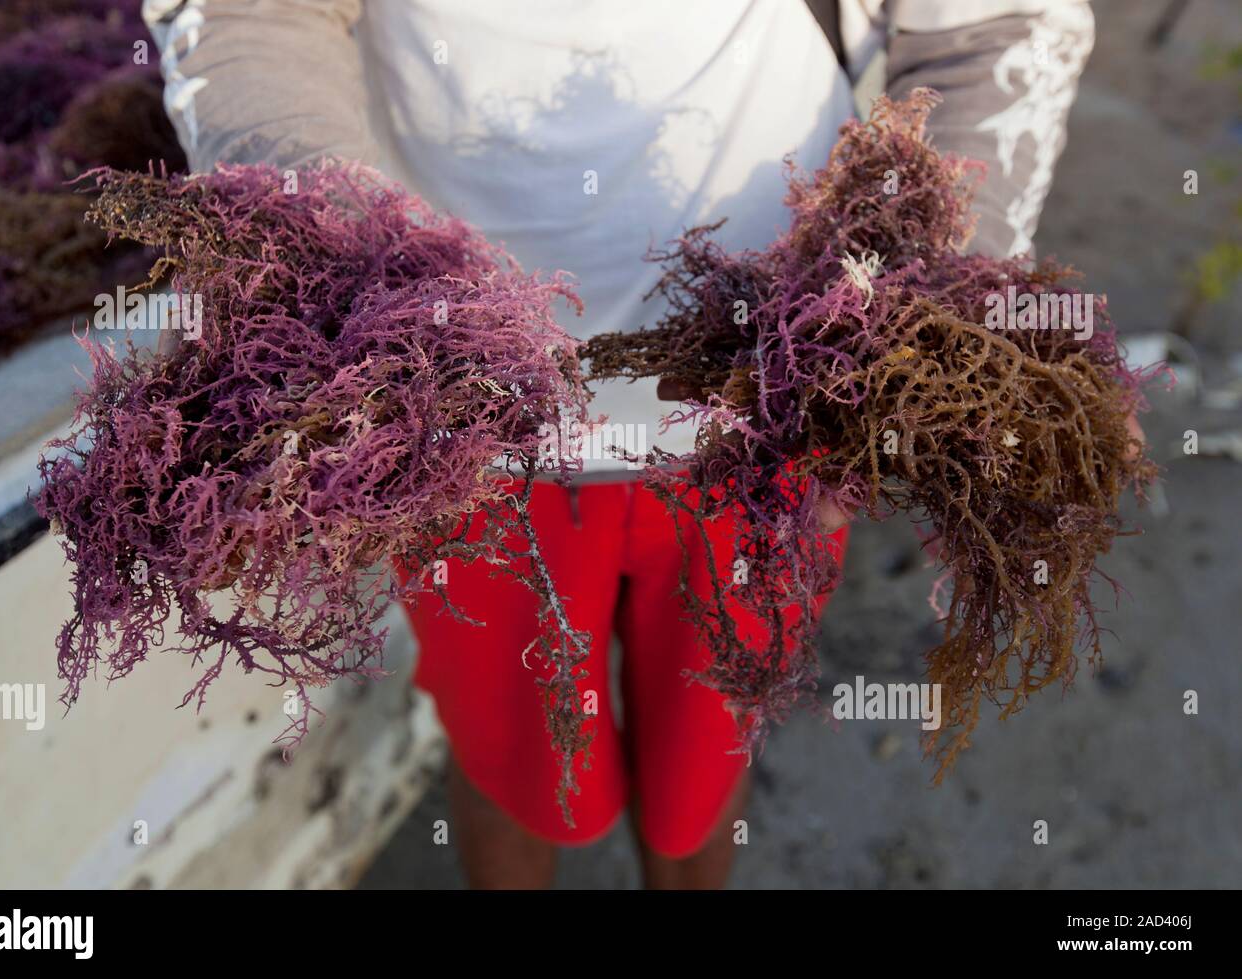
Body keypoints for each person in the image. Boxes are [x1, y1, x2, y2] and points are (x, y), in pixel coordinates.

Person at [143, 0, 1102, 888]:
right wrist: (344, 276)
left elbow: (995, 25)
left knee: (699, 781)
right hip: (458, 426)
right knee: (518, 775)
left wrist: (915, 321)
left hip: (772, 397)